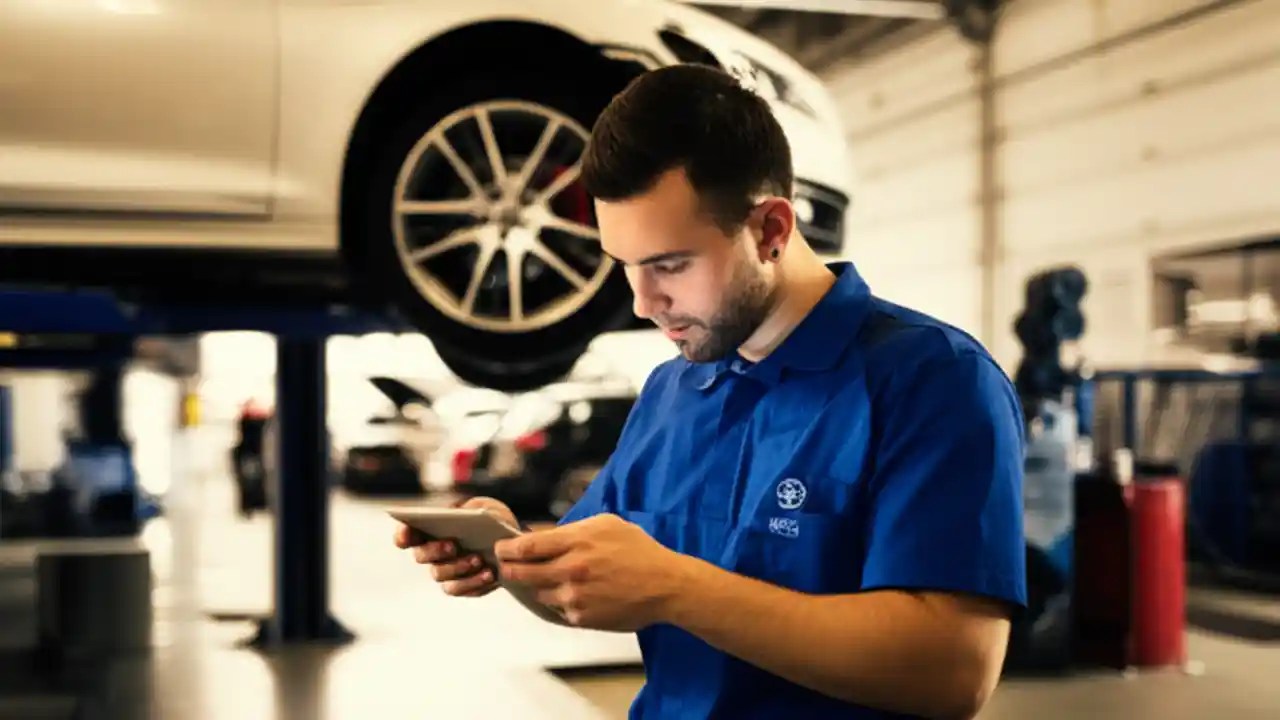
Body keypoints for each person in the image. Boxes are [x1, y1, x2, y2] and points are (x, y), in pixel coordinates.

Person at [394, 64, 1027, 720]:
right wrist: (506, 551)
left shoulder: (934, 381)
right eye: (628, 268)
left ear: (771, 231)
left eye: (669, 265)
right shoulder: (674, 389)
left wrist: (677, 588)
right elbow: (591, 583)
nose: (643, 303)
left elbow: (951, 671)